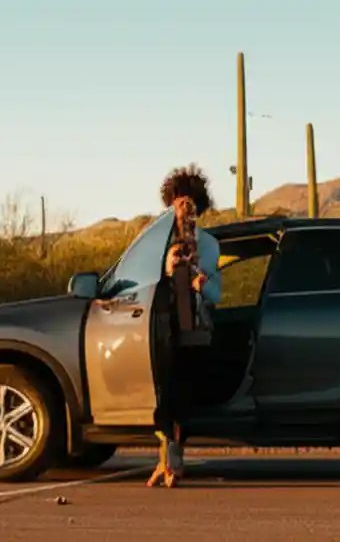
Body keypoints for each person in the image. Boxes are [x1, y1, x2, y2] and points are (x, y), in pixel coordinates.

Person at [146, 165, 220, 488]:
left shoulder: (210, 244)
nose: (183, 208)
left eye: (188, 202)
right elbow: (146, 285)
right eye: (178, 201)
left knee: (181, 390)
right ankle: (166, 457)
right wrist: (166, 267)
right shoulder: (157, 243)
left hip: (194, 325)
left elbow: (217, 292)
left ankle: (172, 457)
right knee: (160, 393)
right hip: (160, 326)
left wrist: (200, 282)